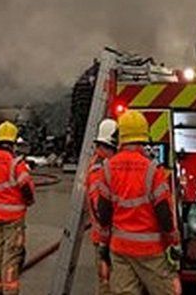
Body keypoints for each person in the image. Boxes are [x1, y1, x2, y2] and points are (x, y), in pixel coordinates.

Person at [96, 111, 181, 295]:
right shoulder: (152, 170)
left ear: (121, 137)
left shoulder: (107, 168)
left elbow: (103, 211)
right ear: (144, 136)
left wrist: (104, 242)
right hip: (150, 250)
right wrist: (174, 241)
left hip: (120, 249)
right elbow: (163, 212)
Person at [0, 121, 35, 295]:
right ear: (13, 141)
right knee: (12, 257)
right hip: (14, 218)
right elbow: (25, 186)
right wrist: (29, 201)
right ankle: (10, 291)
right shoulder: (15, 163)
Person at [86, 118, 118, 295]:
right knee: (109, 286)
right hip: (106, 239)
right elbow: (101, 210)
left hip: (104, 237)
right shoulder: (100, 170)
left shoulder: (100, 164)